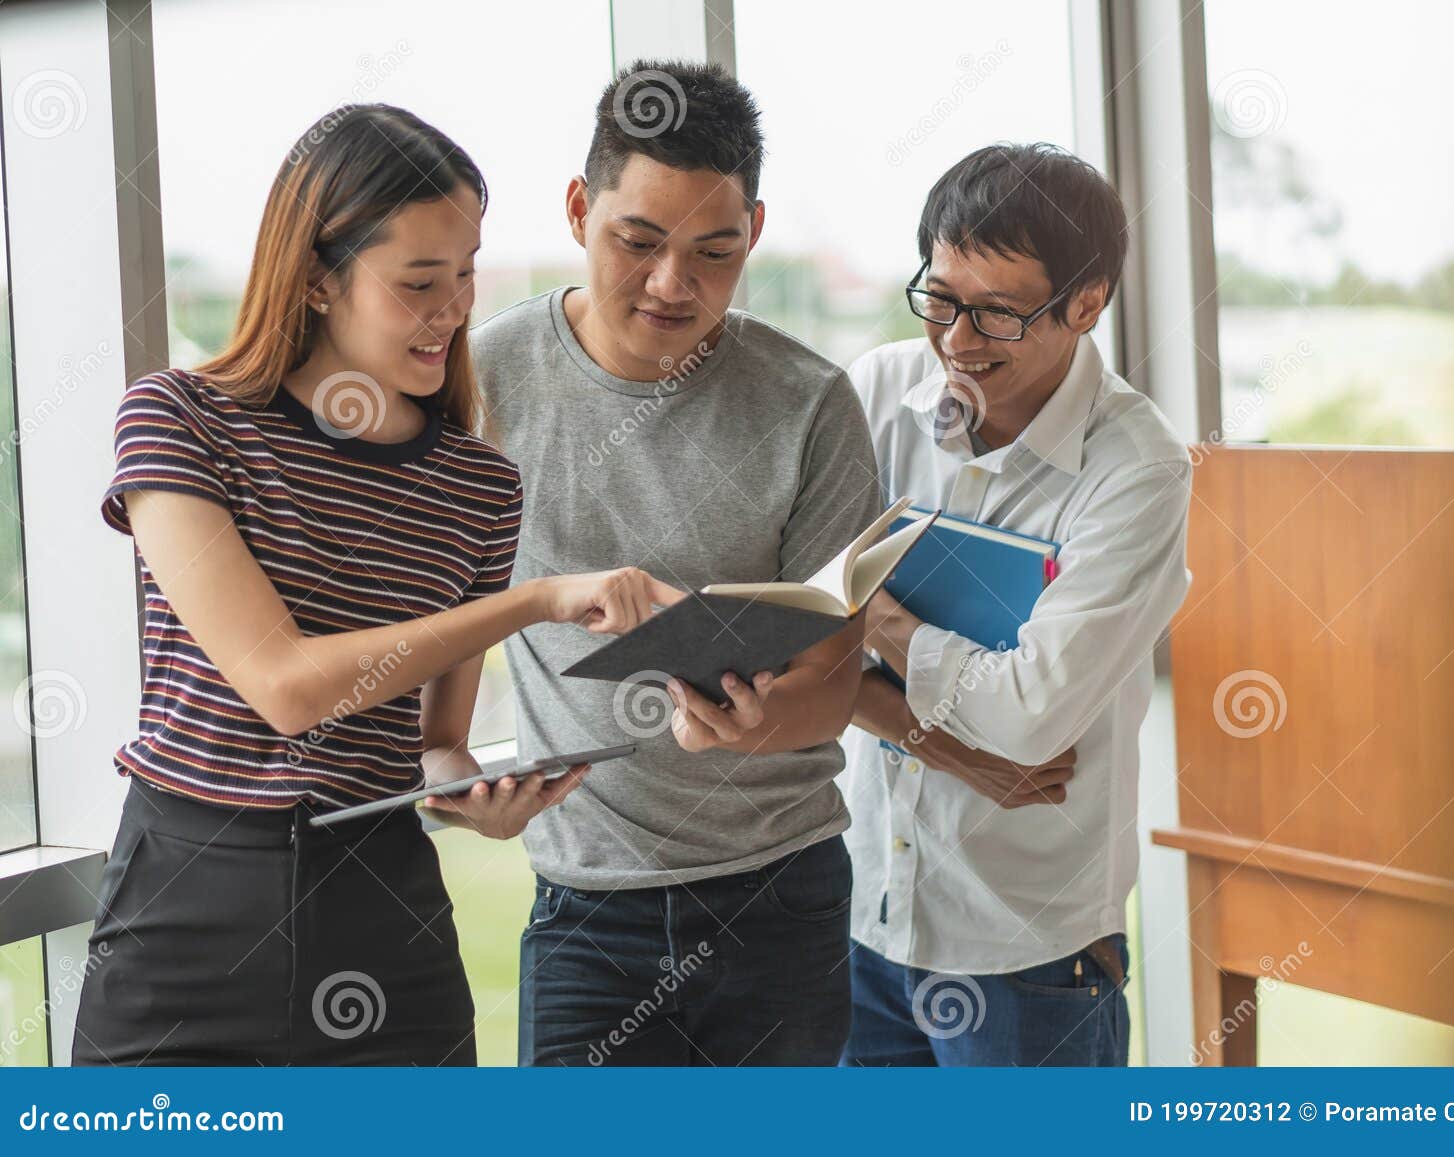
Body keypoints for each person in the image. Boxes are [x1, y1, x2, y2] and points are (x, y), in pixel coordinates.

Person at [74, 104, 676, 1067]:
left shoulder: (479, 486)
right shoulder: (179, 422)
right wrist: (534, 598)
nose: (454, 308)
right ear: (317, 278)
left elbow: (431, 743)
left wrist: (470, 792)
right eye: (419, 282)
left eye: (468, 272)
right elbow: (286, 686)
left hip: (383, 918)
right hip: (182, 916)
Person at [470, 60, 882, 1066]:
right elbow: (447, 611)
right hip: (585, 904)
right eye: (639, 241)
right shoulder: (481, 384)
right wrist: (450, 773)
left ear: (754, 233)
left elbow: (834, 682)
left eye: (714, 251)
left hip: (782, 895)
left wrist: (758, 724)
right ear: (578, 209)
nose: (672, 284)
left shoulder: (811, 402)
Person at [840, 143, 1192, 1066]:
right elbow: (792, 625)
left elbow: (1026, 716)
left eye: (997, 312)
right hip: (862, 915)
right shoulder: (878, 392)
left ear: (1088, 302)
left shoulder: (1137, 468)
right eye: (942, 298)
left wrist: (871, 610)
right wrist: (945, 742)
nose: (957, 340)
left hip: (1026, 952)